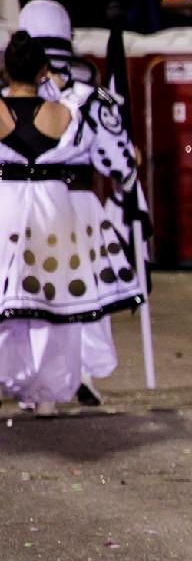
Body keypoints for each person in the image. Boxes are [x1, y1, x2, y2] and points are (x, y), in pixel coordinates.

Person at [0, 30, 144, 410]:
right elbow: (113, 155)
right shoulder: (72, 109)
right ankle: (46, 396)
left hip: (6, 208)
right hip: (54, 212)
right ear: (43, 70)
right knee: (52, 308)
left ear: (5, 69)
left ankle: (14, 382)